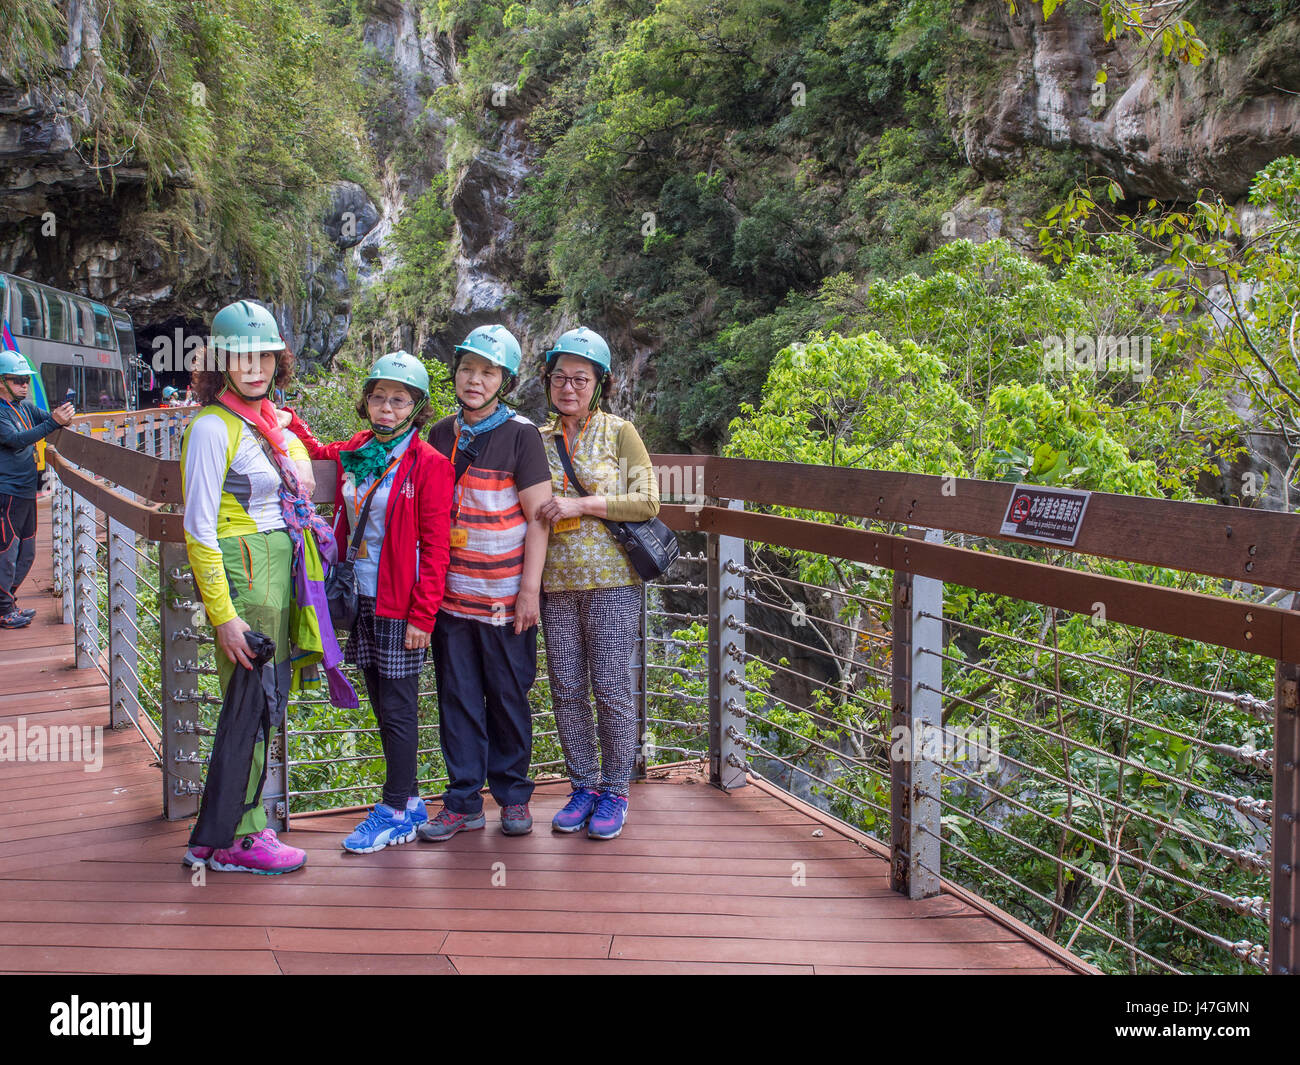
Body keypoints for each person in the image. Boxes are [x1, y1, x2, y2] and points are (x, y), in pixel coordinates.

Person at [180, 299, 352, 875]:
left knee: (263, 702)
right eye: (241, 355)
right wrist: (225, 616)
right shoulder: (212, 428)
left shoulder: (275, 422)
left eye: (266, 355)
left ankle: (219, 833)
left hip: (285, 570)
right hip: (246, 573)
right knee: (251, 703)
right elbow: (198, 528)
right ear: (221, 360)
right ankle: (241, 836)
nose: (255, 366)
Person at [283, 351, 454, 853]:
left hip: (400, 600)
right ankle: (411, 799)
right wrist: (285, 421)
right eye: (378, 397)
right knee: (381, 697)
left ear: (416, 407)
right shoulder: (359, 448)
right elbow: (318, 451)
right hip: (356, 592)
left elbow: (437, 548)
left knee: (398, 705)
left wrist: (424, 615)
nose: (386, 408)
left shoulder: (429, 466)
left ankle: (395, 810)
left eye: (398, 400)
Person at [419, 324, 551, 841]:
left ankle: (514, 797)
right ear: (454, 371)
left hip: (503, 598)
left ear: (506, 380)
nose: (475, 380)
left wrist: (528, 592)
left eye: (488, 371)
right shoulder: (440, 434)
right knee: (457, 698)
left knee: (509, 697)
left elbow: (539, 518)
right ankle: (462, 800)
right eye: (468, 368)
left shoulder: (521, 435)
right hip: (450, 598)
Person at [537, 327, 660, 840]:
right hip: (553, 584)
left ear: (599, 383)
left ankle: (616, 789)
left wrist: (580, 505)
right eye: (560, 377)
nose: (569, 387)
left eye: (581, 379)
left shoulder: (619, 432)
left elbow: (648, 501)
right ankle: (582, 784)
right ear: (547, 382)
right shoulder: (536, 440)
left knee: (610, 687)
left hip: (611, 580)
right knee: (565, 688)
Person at [0, 348, 74, 629]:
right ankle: (4, 610)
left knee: (26, 551)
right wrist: (54, 421)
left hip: (25, 489)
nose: (24, 385)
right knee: (6, 551)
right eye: (18, 380)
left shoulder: (24, 407)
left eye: (26, 380)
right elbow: (16, 439)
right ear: (1, 381)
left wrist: (62, 417)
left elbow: (47, 421)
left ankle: (8, 602)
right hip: (6, 490)